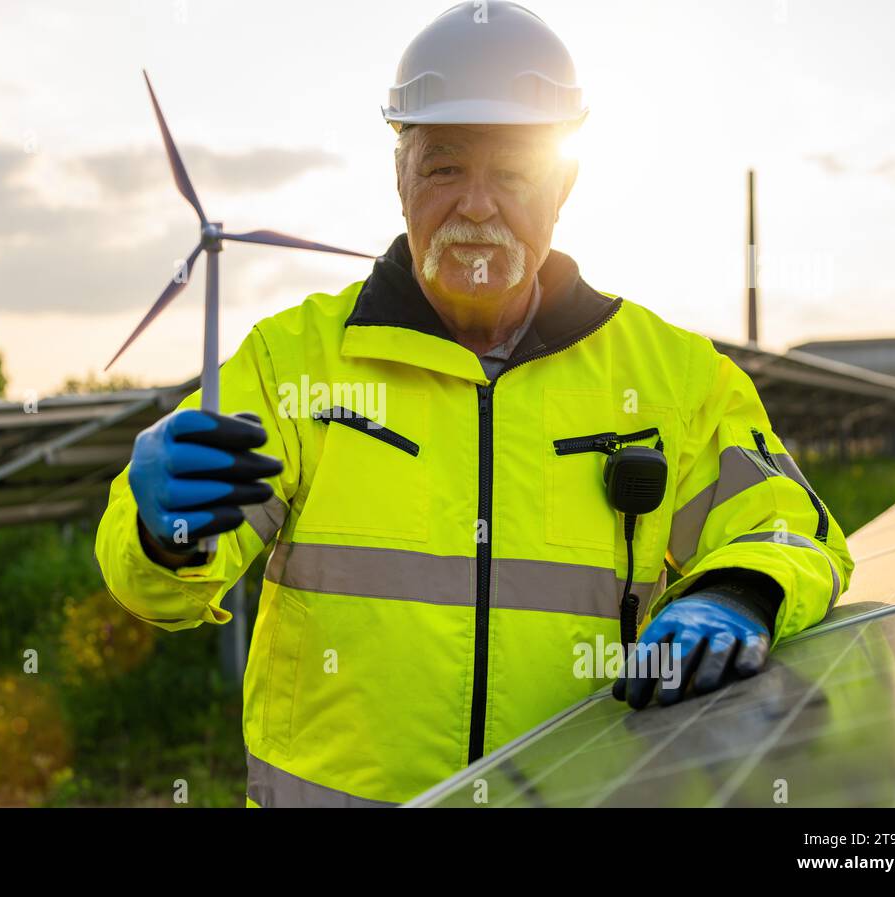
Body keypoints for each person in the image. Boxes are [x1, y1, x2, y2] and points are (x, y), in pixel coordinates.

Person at [96, 1, 854, 807]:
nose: (477, 206)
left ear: (563, 184)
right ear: (400, 179)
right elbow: (162, 592)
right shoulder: (296, 361)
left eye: (513, 173)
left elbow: (789, 527)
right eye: (444, 168)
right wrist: (165, 533)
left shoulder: (673, 374)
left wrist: (736, 590)